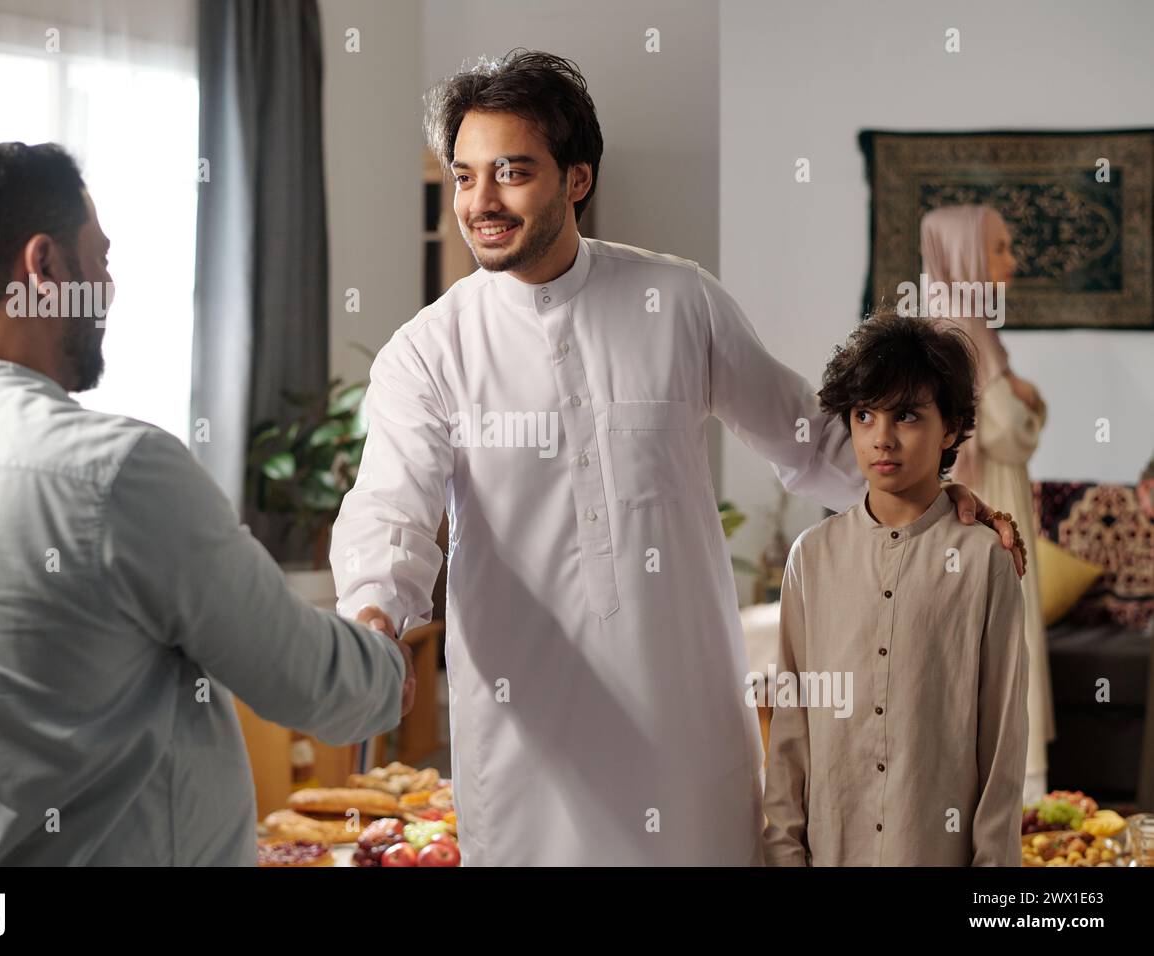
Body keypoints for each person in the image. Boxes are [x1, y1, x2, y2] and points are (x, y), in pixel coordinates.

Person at [329, 50, 1023, 865]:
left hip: (684, 725)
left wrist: (938, 502)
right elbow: (391, 510)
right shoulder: (428, 353)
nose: (481, 202)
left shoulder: (678, 303)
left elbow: (808, 439)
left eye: (512, 173)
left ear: (577, 177)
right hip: (527, 741)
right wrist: (375, 613)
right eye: (465, 176)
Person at [0, 142, 413, 866]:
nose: (110, 286)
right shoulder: (115, 473)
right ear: (45, 267)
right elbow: (311, 682)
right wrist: (386, 664)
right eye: (101, 258)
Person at [762, 311, 1028, 866]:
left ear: (951, 428)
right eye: (864, 415)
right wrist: (784, 855)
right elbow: (790, 732)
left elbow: (1002, 744)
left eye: (906, 416)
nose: (881, 438)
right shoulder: (810, 559)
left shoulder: (984, 561)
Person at [921, 203, 1052, 803]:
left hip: (958, 504)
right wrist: (1032, 401)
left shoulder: (937, 313)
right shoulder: (962, 320)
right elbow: (1004, 430)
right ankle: (1015, 800)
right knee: (1004, 634)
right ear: (967, 254)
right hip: (986, 504)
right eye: (999, 247)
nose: (1011, 261)